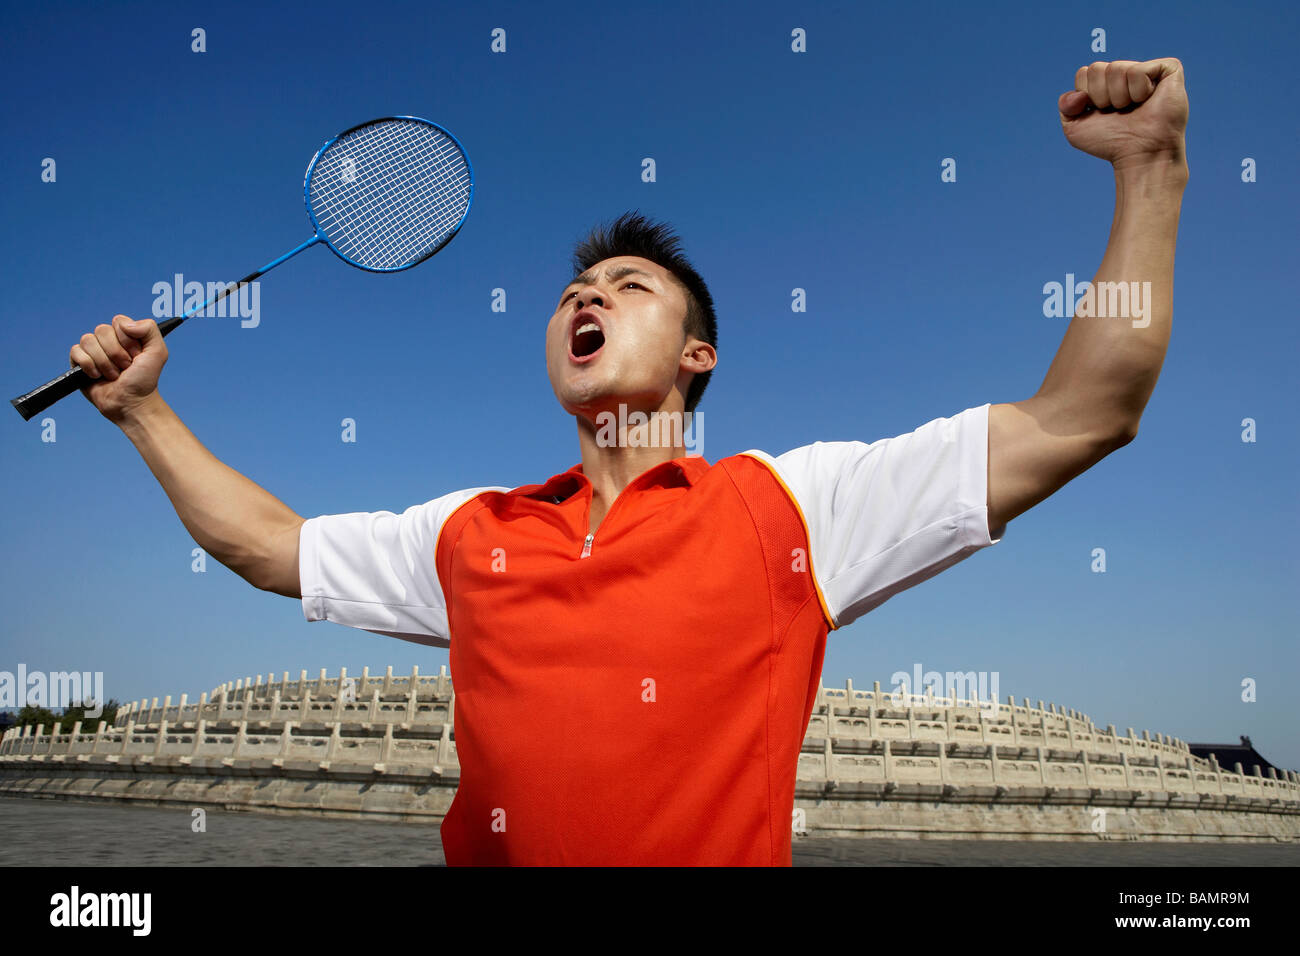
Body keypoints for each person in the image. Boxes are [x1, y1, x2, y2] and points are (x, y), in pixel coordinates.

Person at [67, 58, 1189, 865]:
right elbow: (269, 546)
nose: (585, 296)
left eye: (626, 287)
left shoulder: (792, 507)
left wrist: (1146, 175)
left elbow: (1082, 412)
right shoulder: (471, 532)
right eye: (571, 292)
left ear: (697, 354)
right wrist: (140, 411)